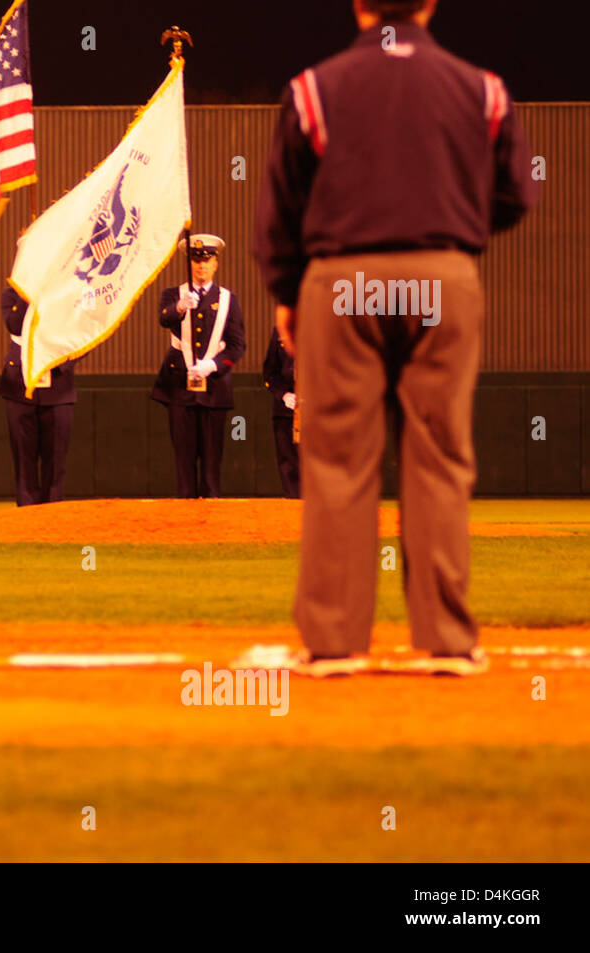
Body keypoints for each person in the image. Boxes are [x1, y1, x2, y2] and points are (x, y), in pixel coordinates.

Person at [252, 0, 535, 676]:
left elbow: (279, 210)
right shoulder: (483, 88)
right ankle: (447, 641)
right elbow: (517, 194)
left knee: (337, 458)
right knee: (440, 453)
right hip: (444, 274)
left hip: (342, 279)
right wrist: (447, 229)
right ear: (430, 4)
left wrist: (289, 294)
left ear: (358, 5)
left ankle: (333, 642)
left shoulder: (313, 88)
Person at [150, 234, 245, 499]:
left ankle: (210, 515)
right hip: (179, 386)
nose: (201, 266)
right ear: (189, 264)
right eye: (196, 260)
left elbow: (238, 345)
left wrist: (214, 366)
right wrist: (179, 308)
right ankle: (185, 516)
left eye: (207, 261)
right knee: (184, 460)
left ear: (216, 264)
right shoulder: (174, 294)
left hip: (214, 387)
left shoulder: (228, 299)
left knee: (212, 461)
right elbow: (163, 318)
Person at [0, 285, 75, 506]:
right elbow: (15, 324)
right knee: (24, 464)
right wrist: (30, 290)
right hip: (19, 386)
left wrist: (60, 361)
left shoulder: (66, 292)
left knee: (55, 464)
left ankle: (51, 520)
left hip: (58, 385)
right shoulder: (12, 294)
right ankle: (27, 519)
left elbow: (82, 337)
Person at [261, 326, 300, 499]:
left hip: (316, 412)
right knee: (288, 465)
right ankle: (292, 505)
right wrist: (283, 395)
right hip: (285, 409)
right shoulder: (281, 330)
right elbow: (270, 372)